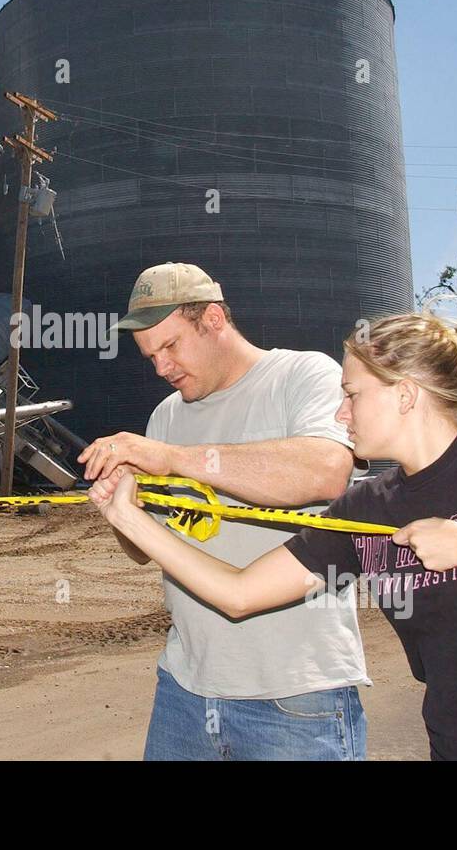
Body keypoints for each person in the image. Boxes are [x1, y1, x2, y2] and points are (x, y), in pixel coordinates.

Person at [90, 300, 457, 760]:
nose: (340, 413)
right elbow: (238, 595)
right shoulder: (369, 508)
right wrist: (129, 518)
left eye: (352, 395)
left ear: (405, 394)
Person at [78, 262, 370, 761]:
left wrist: (171, 459)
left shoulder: (302, 375)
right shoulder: (167, 416)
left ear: (213, 319)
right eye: (150, 357)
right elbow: (144, 551)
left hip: (295, 697)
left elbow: (326, 469)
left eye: (170, 347)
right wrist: (121, 508)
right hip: (185, 689)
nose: (162, 368)